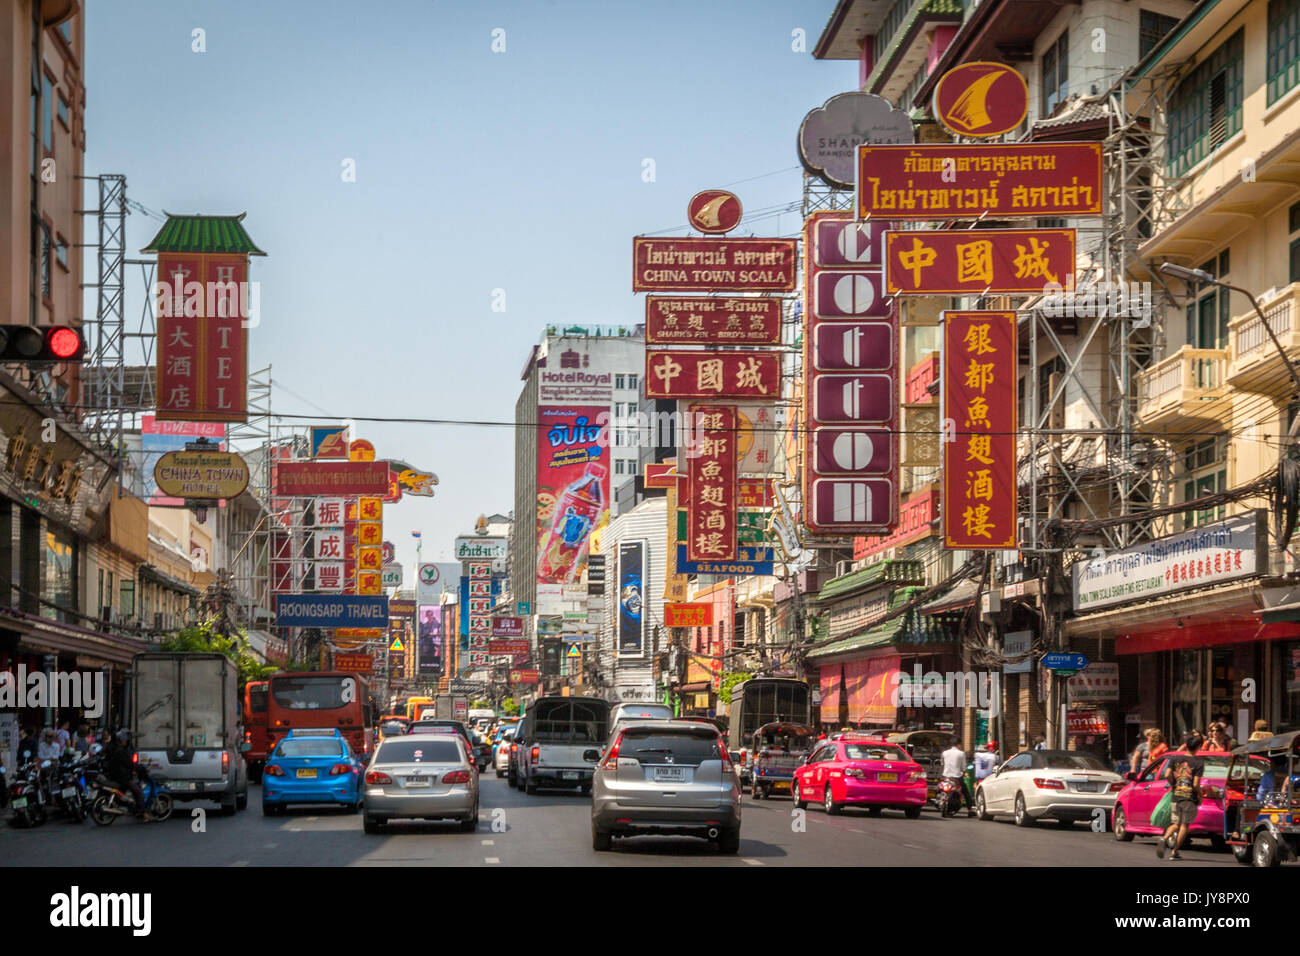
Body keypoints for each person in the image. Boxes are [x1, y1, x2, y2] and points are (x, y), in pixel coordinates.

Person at [1157, 732, 1204, 861]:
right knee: (1184, 825)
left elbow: (1167, 774)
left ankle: (1164, 838)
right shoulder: (1198, 763)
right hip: (1189, 798)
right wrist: (1200, 795)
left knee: (1175, 823)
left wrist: (1174, 784)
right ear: (1198, 747)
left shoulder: (1175, 759)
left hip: (1176, 796)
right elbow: (1195, 784)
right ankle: (1174, 852)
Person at [104, 729, 149, 822]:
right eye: (125, 740)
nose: (126, 741)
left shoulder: (112, 748)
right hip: (122, 777)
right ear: (121, 740)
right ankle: (143, 812)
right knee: (138, 792)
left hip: (113, 775)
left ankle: (132, 809)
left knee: (127, 794)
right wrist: (143, 769)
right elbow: (130, 764)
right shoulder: (121, 751)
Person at [940, 738, 972, 816]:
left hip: (945, 776)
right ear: (958, 744)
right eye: (960, 744)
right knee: (966, 793)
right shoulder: (961, 753)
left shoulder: (944, 753)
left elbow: (942, 764)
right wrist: (964, 773)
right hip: (957, 777)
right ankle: (970, 810)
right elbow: (963, 768)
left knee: (939, 789)